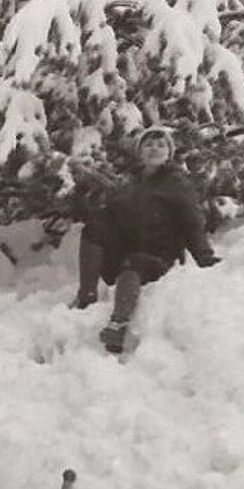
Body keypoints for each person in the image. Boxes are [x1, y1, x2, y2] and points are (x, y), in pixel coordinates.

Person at [70, 126, 220, 352]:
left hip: (159, 256)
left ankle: (118, 324)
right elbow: (111, 216)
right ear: (140, 151)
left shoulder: (177, 183)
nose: (154, 149)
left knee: (134, 263)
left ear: (169, 153)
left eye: (161, 145)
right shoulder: (131, 182)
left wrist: (205, 257)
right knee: (94, 229)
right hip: (127, 251)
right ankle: (86, 296)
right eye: (149, 144)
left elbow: (193, 224)